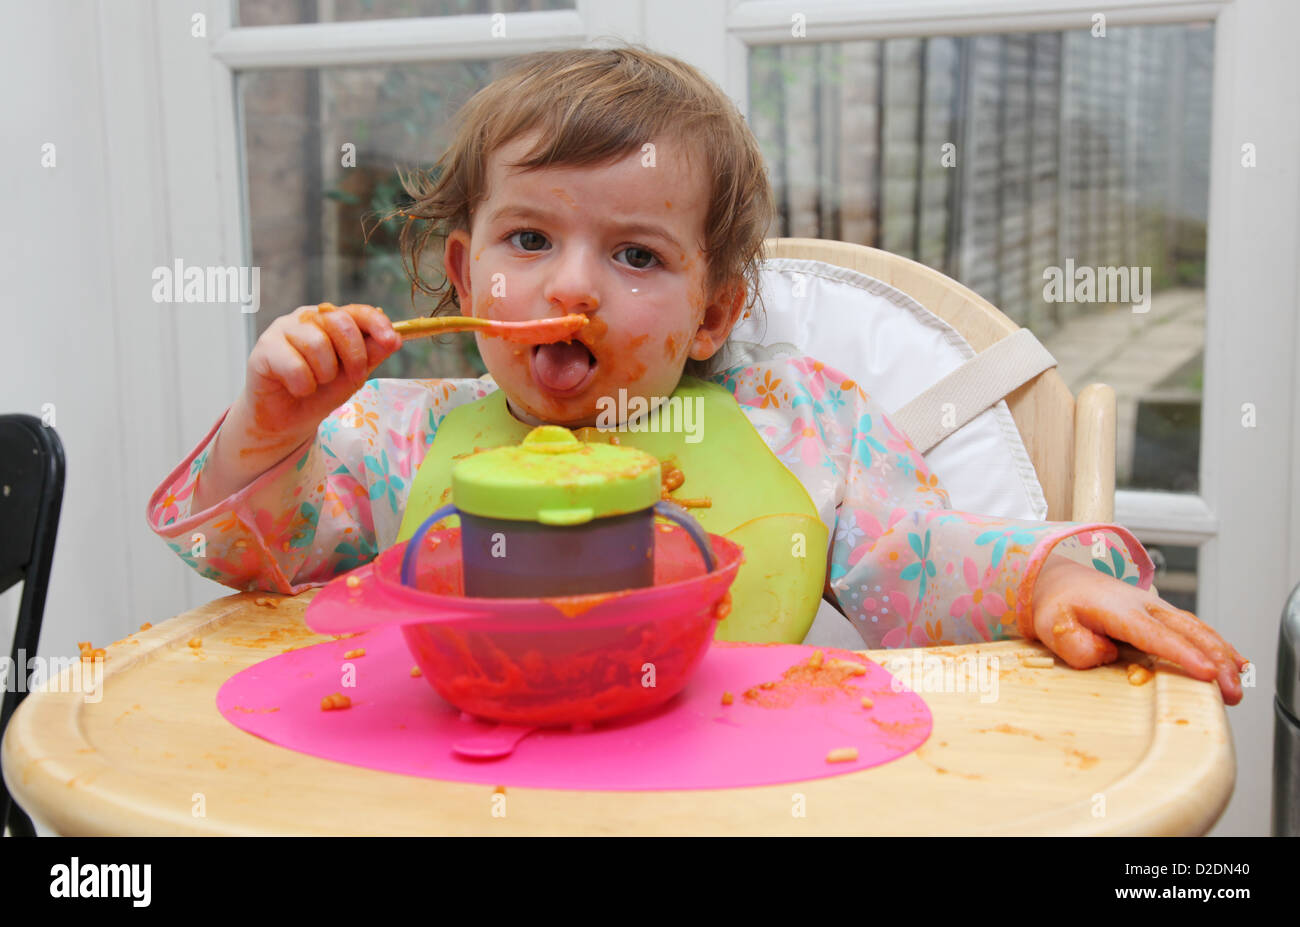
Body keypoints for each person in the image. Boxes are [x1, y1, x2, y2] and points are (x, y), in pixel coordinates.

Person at [147, 44, 1246, 706]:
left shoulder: (796, 424)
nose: (570, 289)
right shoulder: (397, 434)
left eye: (634, 256)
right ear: (459, 270)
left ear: (716, 311)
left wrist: (1042, 579)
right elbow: (250, 560)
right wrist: (273, 425)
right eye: (527, 240)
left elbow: (926, 558)